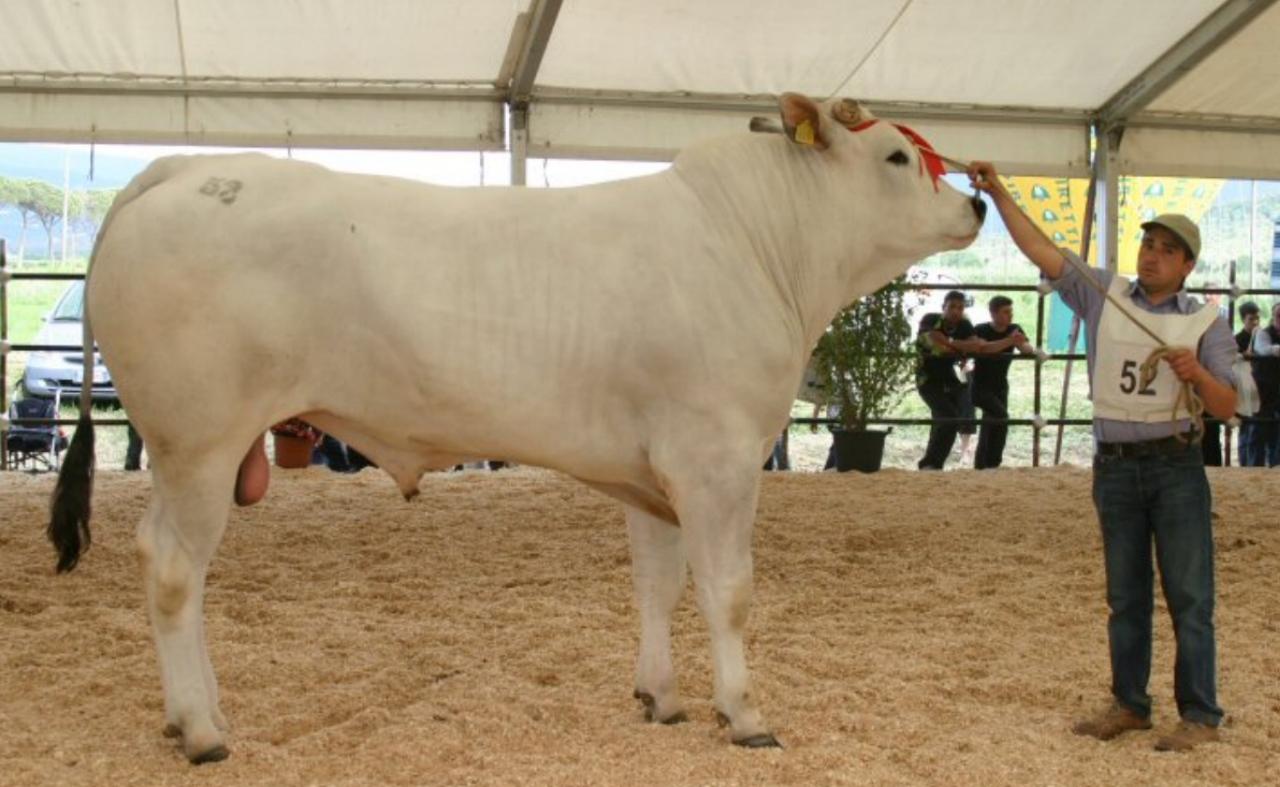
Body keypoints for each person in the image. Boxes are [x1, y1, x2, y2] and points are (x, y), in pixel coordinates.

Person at [971, 161, 1235, 753]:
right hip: (1114, 464)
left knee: (1190, 596)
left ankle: (1200, 712)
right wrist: (1001, 193)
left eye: (1167, 250)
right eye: (1149, 244)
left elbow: (1230, 404)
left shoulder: (1205, 323)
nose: (1152, 256)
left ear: (1187, 266)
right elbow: (1044, 251)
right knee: (1126, 596)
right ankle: (1130, 704)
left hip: (1176, 463)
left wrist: (1196, 375)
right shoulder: (1103, 293)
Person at [915, 291, 980, 469]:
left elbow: (976, 346)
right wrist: (960, 347)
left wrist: (948, 342)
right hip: (928, 380)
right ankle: (931, 463)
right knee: (949, 418)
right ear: (943, 307)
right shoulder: (930, 320)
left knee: (945, 420)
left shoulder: (965, 324)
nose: (956, 311)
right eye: (952, 307)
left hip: (952, 380)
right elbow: (934, 346)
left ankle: (931, 464)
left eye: (960, 308)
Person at [971, 295, 1035, 469]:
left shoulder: (1014, 329)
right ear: (993, 313)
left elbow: (1027, 349)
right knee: (1001, 417)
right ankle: (990, 462)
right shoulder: (981, 329)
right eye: (1006, 312)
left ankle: (985, 464)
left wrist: (1021, 343)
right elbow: (984, 348)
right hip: (980, 385)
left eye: (1011, 311)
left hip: (1000, 386)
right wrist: (1010, 340)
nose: (1010, 315)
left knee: (992, 421)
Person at [1249, 303, 1280, 466]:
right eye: (1279, 315)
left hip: (1276, 390)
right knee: (1258, 430)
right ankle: (1254, 468)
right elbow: (1263, 349)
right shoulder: (1263, 333)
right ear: (1273, 317)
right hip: (1264, 389)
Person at [1233, 301, 1261, 465]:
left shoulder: (1261, 337)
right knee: (1245, 428)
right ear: (1243, 319)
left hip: (1260, 387)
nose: (1255, 322)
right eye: (1251, 319)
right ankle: (1245, 464)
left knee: (1257, 429)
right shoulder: (1237, 340)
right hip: (1243, 389)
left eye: (1257, 318)